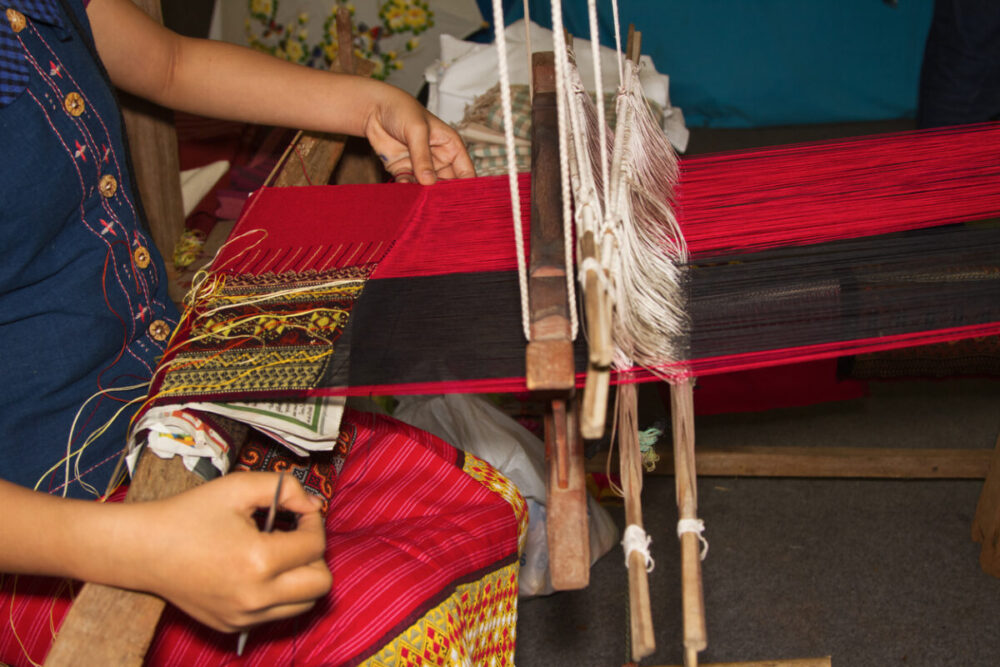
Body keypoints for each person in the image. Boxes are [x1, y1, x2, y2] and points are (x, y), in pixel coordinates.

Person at [0, 1, 522, 664]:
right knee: (381, 611)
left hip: (163, 390)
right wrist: (136, 543)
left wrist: (369, 107)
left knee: (465, 507)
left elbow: (169, 62)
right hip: (48, 525)